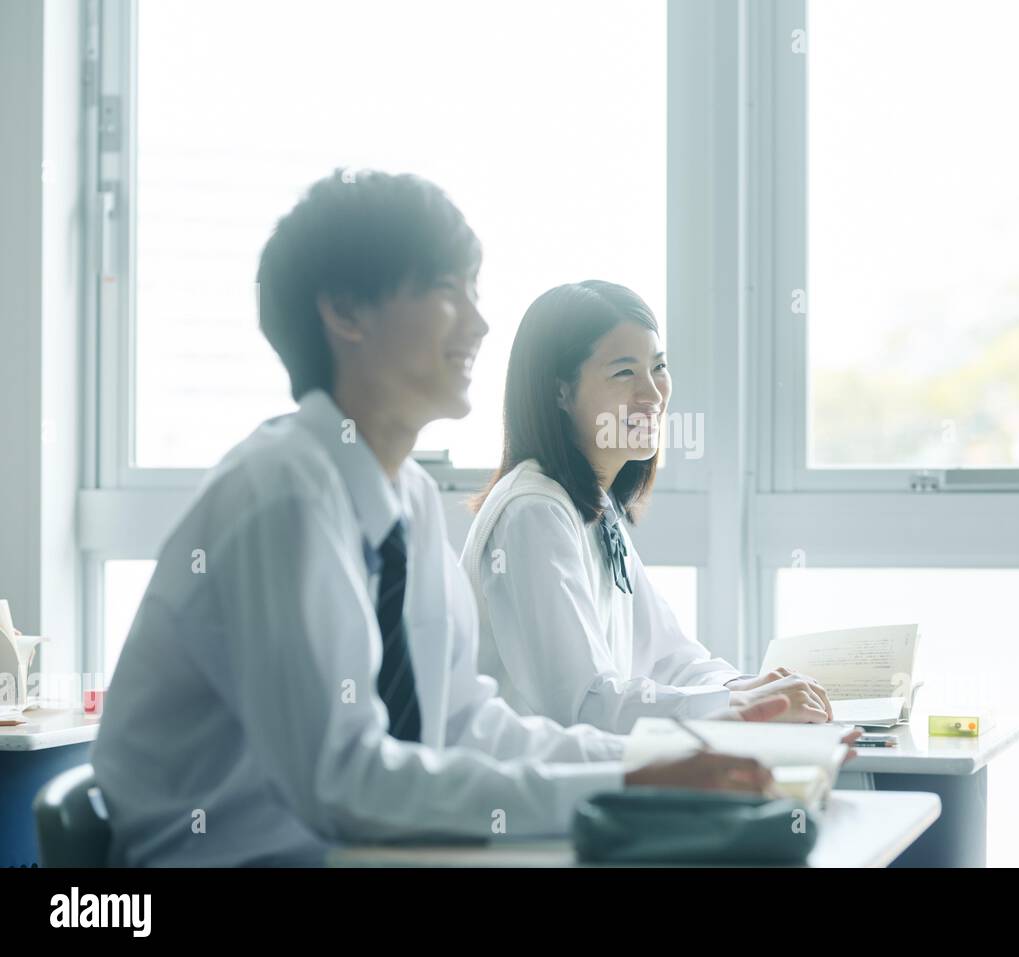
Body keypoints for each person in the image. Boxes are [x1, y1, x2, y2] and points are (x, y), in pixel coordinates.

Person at [91, 172, 784, 867]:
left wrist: (654, 764)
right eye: (448, 291)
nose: (480, 324)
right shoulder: (281, 497)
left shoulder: (410, 503)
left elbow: (463, 724)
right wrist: (626, 783)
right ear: (345, 311)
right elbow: (347, 784)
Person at [461, 280, 833, 734]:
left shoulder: (592, 504)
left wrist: (751, 687)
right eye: (623, 373)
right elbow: (585, 706)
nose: (653, 395)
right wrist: (740, 704)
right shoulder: (533, 514)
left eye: (658, 367)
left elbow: (667, 657)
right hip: (530, 792)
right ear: (560, 392)